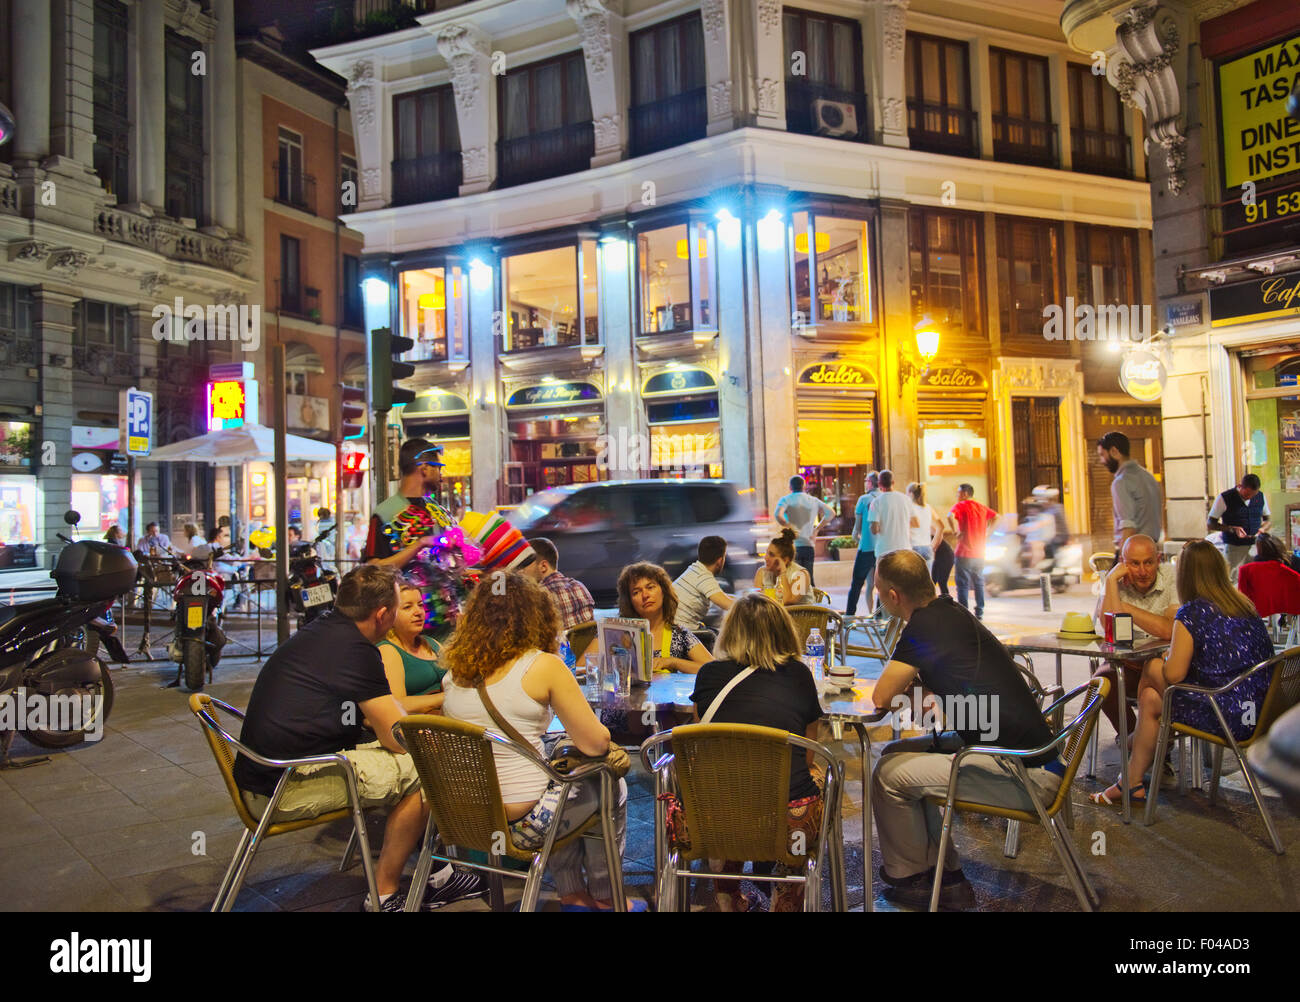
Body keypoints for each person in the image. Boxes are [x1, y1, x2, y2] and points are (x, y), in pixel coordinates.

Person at [231, 564, 484, 911]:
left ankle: (439, 875)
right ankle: (384, 894)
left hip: (261, 772)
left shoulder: (324, 629)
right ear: (382, 614)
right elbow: (396, 735)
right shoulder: (356, 650)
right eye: (399, 607)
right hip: (284, 786)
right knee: (429, 770)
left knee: (420, 760)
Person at [869, 550, 1061, 909]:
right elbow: (931, 699)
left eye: (879, 591)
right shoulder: (950, 610)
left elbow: (881, 696)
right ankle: (945, 875)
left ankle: (914, 879)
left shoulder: (924, 626)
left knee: (888, 774)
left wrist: (906, 689)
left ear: (893, 595)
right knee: (896, 754)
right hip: (1024, 753)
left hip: (1024, 773)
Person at [440, 572, 631, 911]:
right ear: (537, 616)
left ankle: (572, 892)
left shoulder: (454, 672)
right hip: (524, 827)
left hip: (462, 817)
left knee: (563, 776)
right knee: (605, 780)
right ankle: (605, 895)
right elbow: (596, 744)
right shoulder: (544, 666)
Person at [1090, 540, 1274, 808]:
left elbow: (1174, 675)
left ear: (1184, 574)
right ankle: (1131, 783)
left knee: (1153, 669)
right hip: (1259, 710)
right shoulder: (1244, 605)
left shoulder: (1193, 612)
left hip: (1226, 715)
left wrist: (1166, 661)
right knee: (1152, 699)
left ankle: (1133, 742)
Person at [689, 594, 826, 912]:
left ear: (730, 632)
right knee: (813, 778)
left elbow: (702, 743)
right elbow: (806, 756)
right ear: (783, 631)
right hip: (787, 817)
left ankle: (728, 896)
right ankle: (787, 896)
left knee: (727, 788)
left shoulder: (708, 674)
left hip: (711, 816)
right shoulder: (799, 675)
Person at [1090, 534, 1178, 739]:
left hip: (1163, 664)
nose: (1142, 571)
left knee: (1156, 687)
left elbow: (1168, 630)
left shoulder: (1172, 576)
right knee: (1102, 683)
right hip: (1127, 664)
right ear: (1123, 562)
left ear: (1158, 559)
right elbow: (1108, 627)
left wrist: (1124, 608)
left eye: (1148, 562)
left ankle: (1160, 746)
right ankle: (1134, 739)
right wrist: (1111, 580)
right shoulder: (1114, 580)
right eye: (1135, 564)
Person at [364, 438, 447, 570]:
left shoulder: (435, 509)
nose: (441, 476)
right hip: (403, 590)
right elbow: (373, 568)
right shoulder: (384, 513)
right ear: (424, 468)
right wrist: (420, 544)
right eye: (438, 468)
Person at [617, 562, 711, 673]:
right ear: (629, 601)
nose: (645, 595)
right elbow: (591, 662)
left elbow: (713, 668)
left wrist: (672, 662)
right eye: (636, 592)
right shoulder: (617, 632)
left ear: (663, 592)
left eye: (650, 587)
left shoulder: (680, 634)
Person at [377, 581, 445, 714]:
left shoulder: (432, 643)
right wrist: (446, 697)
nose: (418, 612)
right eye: (407, 607)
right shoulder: (388, 650)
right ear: (389, 614)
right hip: (423, 726)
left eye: (420, 605)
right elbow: (397, 703)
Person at [1097, 431, 1163, 549]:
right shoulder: (1148, 477)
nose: (1102, 461)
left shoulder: (1121, 482)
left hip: (1135, 552)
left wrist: (1123, 559)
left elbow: (1128, 527)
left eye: (1102, 455)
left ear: (1114, 451)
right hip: (1153, 549)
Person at [520, 536, 594, 630]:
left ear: (543, 566)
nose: (521, 571)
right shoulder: (580, 587)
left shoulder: (536, 597)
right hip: (588, 645)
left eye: (524, 565)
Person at [948, 484, 998, 621]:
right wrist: (988, 533)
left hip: (964, 552)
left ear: (964, 493)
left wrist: (955, 531)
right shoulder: (981, 507)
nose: (957, 496)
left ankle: (964, 613)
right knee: (979, 582)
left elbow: (949, 516)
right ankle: (979, 611)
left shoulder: (961, 505)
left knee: (962, 584)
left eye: (958, 493)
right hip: (979, 552)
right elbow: (997, 517)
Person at [773, 475, 834, 587]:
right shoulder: (813, 500)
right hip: (808, 545)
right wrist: (817, 529)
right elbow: (831, 513)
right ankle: (812, 603)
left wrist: (788, 526)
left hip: (792, 547)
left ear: (790, 487)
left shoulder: (786, 500)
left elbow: (778, 515)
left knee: (795, 583)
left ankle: (801, 603)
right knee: (808, 580)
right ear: (804, 486)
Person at [1207, 473, 1270, 580]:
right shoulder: (1224, 498)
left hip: (1255, 546)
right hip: (1234, 547)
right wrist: (1231, 529)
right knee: (1232, 579)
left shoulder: (1260, 496)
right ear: (1240, 486)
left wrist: (1262, 529)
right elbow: (1210, 524)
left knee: (1254, 579)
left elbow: (1268, 520)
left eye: (1253, 495)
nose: (1249, 497)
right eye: (1247, 494)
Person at [672, 535, 735, 628]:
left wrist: (740, 598)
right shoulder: (704, 577)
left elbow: (720, 595)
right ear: (720, 560)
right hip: (681, 630)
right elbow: (728, 605)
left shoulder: (694, 569)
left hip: (674, 625)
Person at [846, 472, 880, 616]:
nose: (865, 483)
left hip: (866, 548)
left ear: (870, 483)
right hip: (882, 549)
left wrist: (859, 539)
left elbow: (856, 529)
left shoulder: (864, 499)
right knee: (878, 585)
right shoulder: (884, 498)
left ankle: (850, 615)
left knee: (857, 584)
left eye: (866, 480)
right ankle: (877, 614)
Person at [869, 470, 918, 568]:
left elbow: (874, 530)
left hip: (884, 550)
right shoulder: (906, 499)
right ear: (893, 482)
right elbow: (915, 523)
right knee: (902, 580)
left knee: (885, 581)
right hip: (904, 549)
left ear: (879, 484)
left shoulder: (876, 502)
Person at [754, 528, 813, 608]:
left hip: (802, 618)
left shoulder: (801, 574)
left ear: (785, 560)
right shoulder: (761, 572)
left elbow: (785, 600)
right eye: (766, 552)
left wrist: (782, 572)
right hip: (773, 617)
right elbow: (757, 601)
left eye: (771, 555)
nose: (765, 558)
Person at [906, 482, 943, 574]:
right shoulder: (928, 507)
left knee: (912, 581)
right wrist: (933, 544)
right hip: (927, 547)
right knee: (926, 582)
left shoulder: (908, 507)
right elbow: (941, 526)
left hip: (913, 547)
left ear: (910, 493)